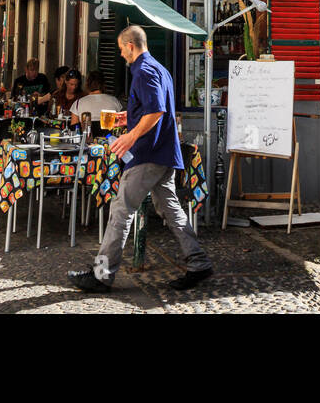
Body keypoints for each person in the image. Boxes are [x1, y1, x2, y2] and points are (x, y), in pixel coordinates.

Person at [68, 26, 212, 294]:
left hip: (148, 154)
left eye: (122, 50)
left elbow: (156, 110)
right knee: (171, 209)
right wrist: (129, 118)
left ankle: (101, 275)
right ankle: (199, 262)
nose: (121, 55)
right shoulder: (160, 69)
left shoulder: (143, 71)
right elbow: (155, 108)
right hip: (165, 153)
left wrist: (131, 136)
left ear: (131, 45)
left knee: (120, 210)